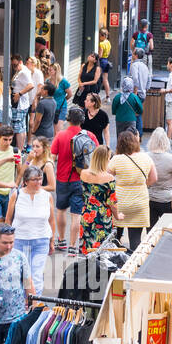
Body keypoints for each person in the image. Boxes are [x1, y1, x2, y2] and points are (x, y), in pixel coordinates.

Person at [51, 106, 98, 253]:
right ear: (82, 120)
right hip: (82, 179)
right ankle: (73, 245)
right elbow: (96, 157)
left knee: (60, 210)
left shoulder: (60, 135)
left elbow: (52, 157)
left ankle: (61, 241)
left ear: (68, 119)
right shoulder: (89, 136)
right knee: (76, 214)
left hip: (63, 178)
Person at [6, 165, 55, 297]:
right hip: (20, 240)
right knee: (20, 273)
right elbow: (8, 219)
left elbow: (51, 220)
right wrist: (7, 241)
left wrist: (52, 241)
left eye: (40, 179)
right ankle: (20, 302)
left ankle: (34, 303)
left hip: (41, 239)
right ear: (26, 181)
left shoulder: (47, 196)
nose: (39, 182)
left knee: (37, 275)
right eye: (35, 179)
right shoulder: (17, 195)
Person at [109, 130, 156, 252]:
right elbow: (153, 178)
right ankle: (134, 264)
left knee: (115, 237)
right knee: (135, 239)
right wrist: (140, 184)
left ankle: (116, 262)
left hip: (120, 202)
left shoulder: (116, 159)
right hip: (140, 202)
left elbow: (107, 179)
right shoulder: (146, 158)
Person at [79, 144, 124, 253]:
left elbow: (83, 193)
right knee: (102, 250)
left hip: (86, 213)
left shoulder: (83, 173)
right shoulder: (109, 178)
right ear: (105, 160)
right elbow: (112, 202)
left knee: (88, 247)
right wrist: (118, 216)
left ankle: (86, 268)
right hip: (102, 216)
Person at [146, 126, 172, 228]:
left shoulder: (145, 157)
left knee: (150, 231)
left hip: (149, 198)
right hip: (167, 199)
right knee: (168, 230)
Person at [0, 123, 20, 217]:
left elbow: (20, 171)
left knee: (8, 220)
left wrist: (16, 184)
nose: (8, 142)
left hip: (9, 193)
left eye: (10, 139)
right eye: (5, 139)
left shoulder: (15, 151)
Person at [9, 54, 35, 151]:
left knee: (18, 128)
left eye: (15, 65)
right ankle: (21, 149)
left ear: (20, 62)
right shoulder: (20, 71)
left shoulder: (24, 72)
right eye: (13, 65)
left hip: (19, 103)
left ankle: (19, 150)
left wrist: (19, 94)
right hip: (20, 103)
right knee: (22, 127)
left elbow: (31, 85)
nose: (14, 67)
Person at [31, 79, 57, 144]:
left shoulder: (42, 103)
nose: (40, 90)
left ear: (46, 91)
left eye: (42, 88)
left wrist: (33, 130)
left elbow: (38, 120)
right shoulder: (54, 102)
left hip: (41, 133)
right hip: (50, 132)